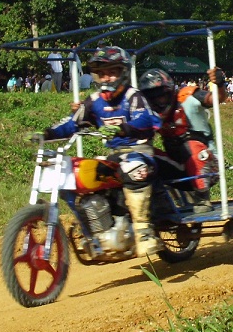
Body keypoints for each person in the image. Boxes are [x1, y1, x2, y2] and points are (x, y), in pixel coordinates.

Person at [42, 47, 163, 255]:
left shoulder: (134, 96)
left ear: (123, 72)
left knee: (133, 168)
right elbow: (73, 122)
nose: (106, 78)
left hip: (139, 150)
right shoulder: (94, 100)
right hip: (114, 155)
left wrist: (124, 128)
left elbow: (145, 119)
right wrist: (47, 133)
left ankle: (144, 231)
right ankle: (95, 230)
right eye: (102, 73)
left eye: (112, 72)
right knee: (80, 174)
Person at [139, 68, 217, 212]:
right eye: (152, 99)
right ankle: (159, 198)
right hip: (179, 167)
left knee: (191, 146)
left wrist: (220, 84)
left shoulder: (188, 98)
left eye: (160, 97)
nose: (157, 102)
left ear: (169, 92)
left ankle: (202, 197)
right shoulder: (151, 115)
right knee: (143, 154)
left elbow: (216, 99)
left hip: (208, 164)